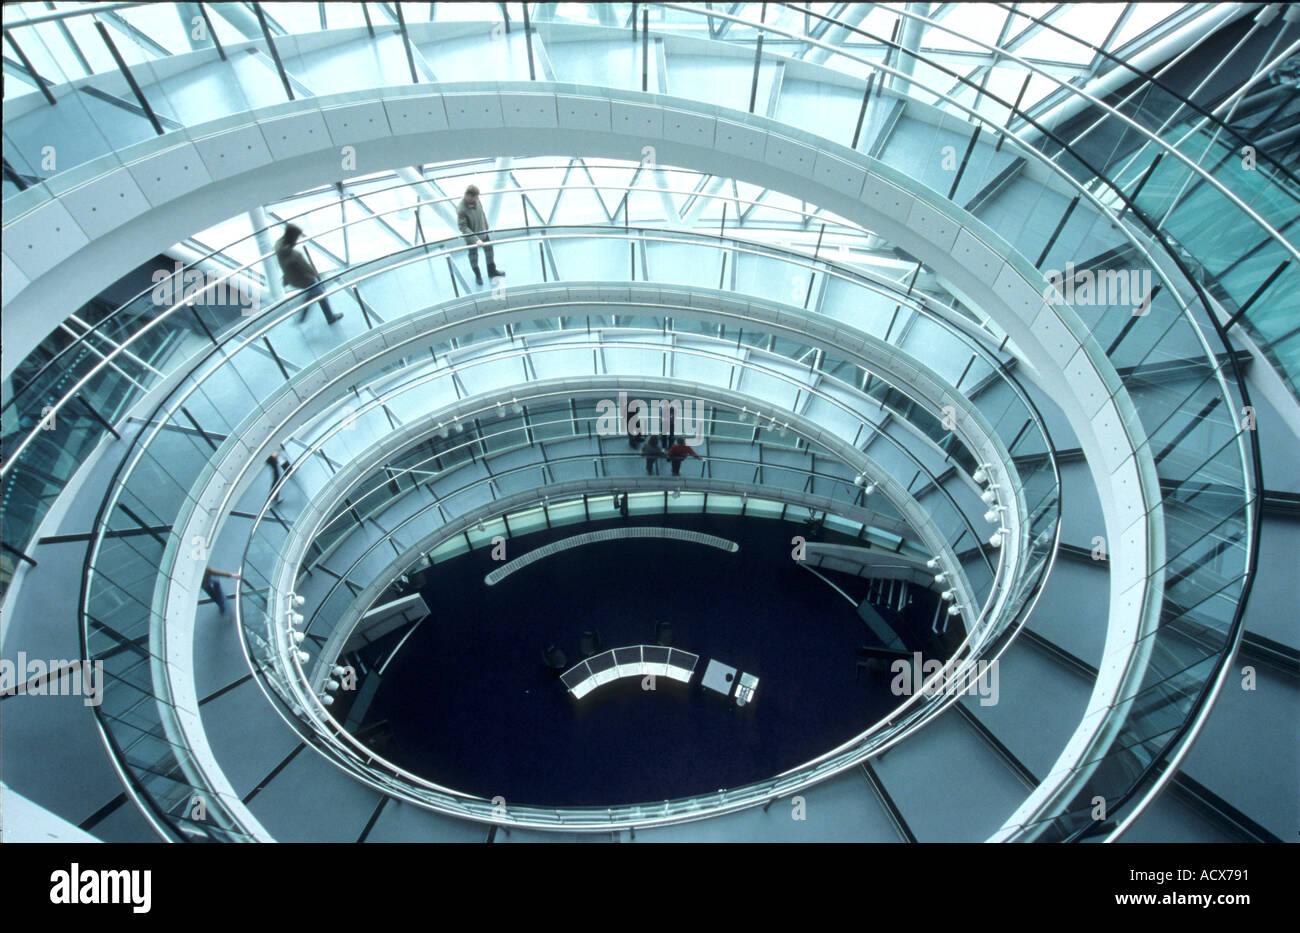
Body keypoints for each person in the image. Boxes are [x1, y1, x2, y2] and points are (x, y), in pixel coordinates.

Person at [275, 223, 343, 324]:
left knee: (316, 294)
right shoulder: (294, 256)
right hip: (305, 279)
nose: (297, 240)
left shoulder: (279, 245)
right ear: (293, 237)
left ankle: (321, 316)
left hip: (293, 279)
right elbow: (307, 268)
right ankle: (328, 317)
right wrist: (316, 275)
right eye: (296, 237)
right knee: (318, 294)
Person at [456, 184, 506, 286]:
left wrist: (486, 227)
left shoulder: (477, 201)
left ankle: (492, 271)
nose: (478, 199)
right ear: (469, 196)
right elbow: (463, 227)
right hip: (472, 239)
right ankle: (478, 276)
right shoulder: (461, 208)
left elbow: (482, 213)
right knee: (473, 257)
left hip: (483, 233)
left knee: (489, 252)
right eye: (476, 197)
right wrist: (475, 239)